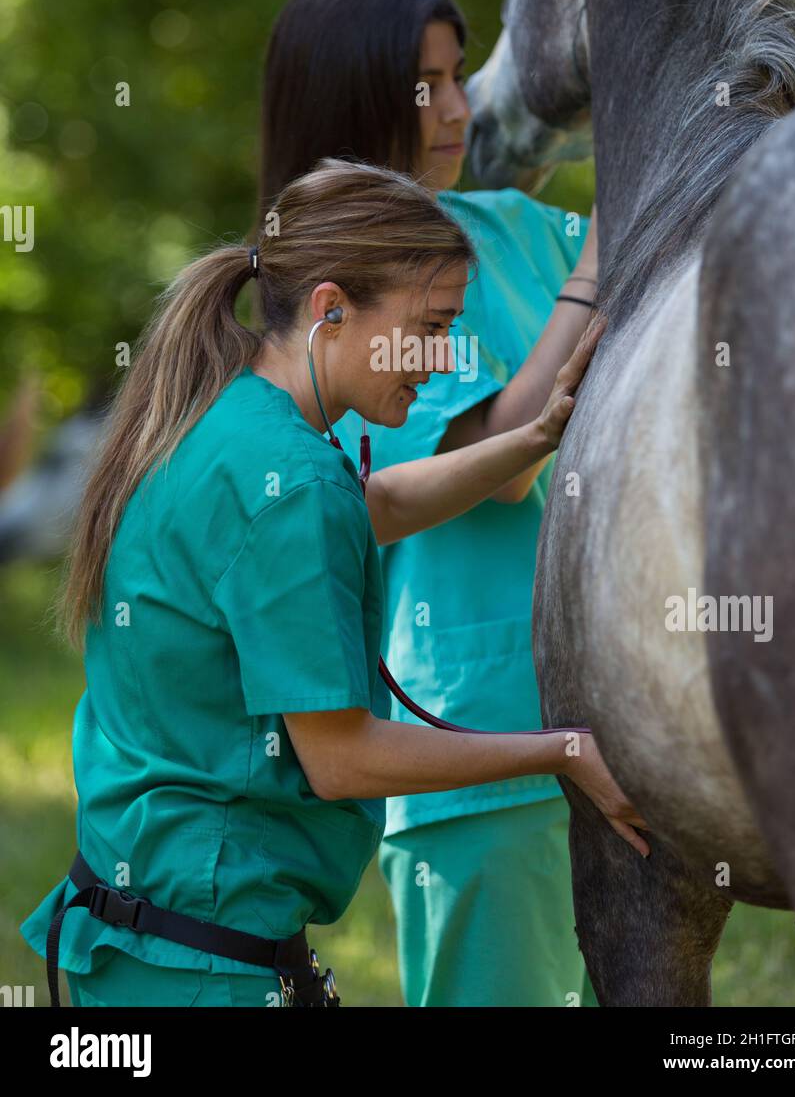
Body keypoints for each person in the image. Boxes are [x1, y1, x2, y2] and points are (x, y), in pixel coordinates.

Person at [20, 161, 646, 1008]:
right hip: (204, 965)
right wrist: (562, 749)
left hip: (138, 941)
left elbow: (369, 505)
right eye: (430, 327)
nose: (442, 357)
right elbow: (342, 759)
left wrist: (537, 433)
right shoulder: (293, 484)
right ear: (330, 308)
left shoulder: (221, 418)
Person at [259, 0, 608, 1007]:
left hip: (605, 728)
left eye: (458, 77)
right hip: (473, 747)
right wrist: (596, 271)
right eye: (427, 86)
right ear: (350, 93)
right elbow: (495, 457)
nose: (459, 108)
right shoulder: (358, 284)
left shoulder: (514, 226)